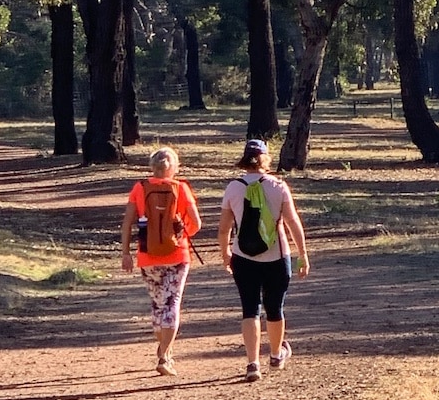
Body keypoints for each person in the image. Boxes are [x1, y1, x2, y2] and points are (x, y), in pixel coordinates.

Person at [218, 138, 310, 382]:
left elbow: (224, 228)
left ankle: (252, 363)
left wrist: (225, 252)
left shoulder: (233, 187)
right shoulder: (278, 186)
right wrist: (302, 254)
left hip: (242, 256)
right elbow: (292, 223)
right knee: (275, 308)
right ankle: (276, 354)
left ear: (245, 159)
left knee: (250, 309)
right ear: (265, 158)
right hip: (276, 257)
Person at [119, 146, 202, 377]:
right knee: (172, 303)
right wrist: (179, 233)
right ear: (174, 168)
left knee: (158, 305)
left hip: (147, 255)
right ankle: (165, 355)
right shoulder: (181, 188)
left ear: (152, 167)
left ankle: (166, 350)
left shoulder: (139, 188)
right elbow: (196, 224)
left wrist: (125, 253)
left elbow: (127, 224)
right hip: (177, 255)